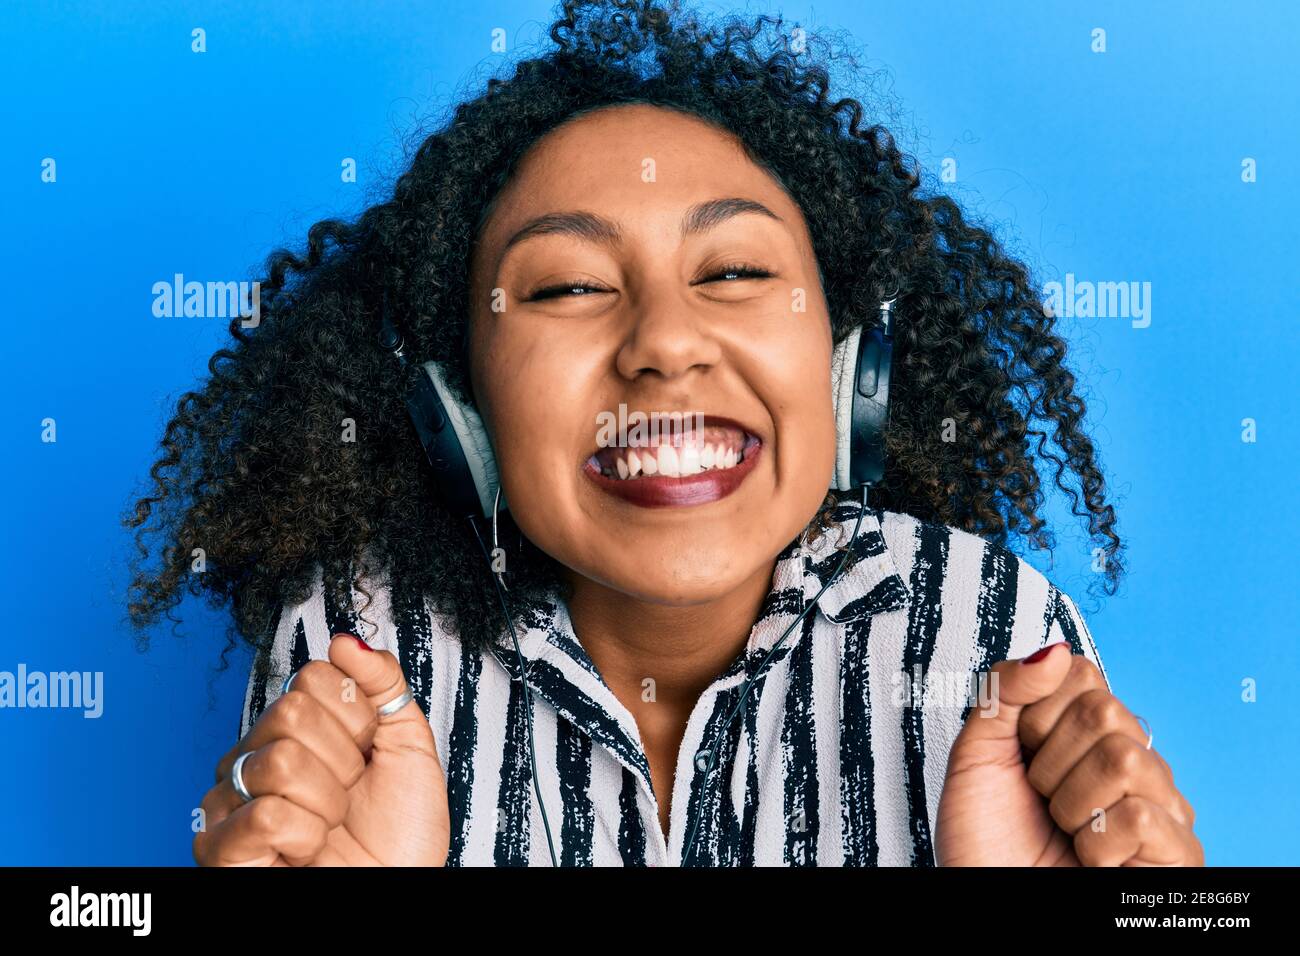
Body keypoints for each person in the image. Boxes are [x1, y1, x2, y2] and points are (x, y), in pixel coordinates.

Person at [126, 0, 1201, 866]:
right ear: (462, 410)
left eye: (734, 271)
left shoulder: (990, 632)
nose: (665, 343)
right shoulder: (360, 647)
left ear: (847, 372)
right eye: (568, 285)